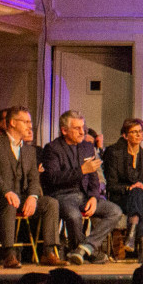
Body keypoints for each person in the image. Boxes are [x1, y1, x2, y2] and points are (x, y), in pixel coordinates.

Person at [41, 109, 117, 263]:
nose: (82, 132)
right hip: (62, 195)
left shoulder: (87, 147)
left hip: (84, 196)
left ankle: (84, 249)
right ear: (64, 130)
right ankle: (83, 252)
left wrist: (94, 197)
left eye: (83, 128)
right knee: (74, 216)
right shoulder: (52, 148)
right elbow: (53, 178)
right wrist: (81, 170)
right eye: (77, 128)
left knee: (115, 211)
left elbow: (93, 176)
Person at [0, 105, 46, 267]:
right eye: (26, 122)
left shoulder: (29, 150)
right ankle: (8, 253)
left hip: (21, 196)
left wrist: (33, 196)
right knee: (8, 203)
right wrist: (6, 191)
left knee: (50, 203)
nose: (30, 125)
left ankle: (48, 252)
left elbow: (34, 178)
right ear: (13, 123)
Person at [103, 116, 143, 263]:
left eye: (140, 131)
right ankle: (142, 248)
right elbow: (112, 185)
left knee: (139, 192)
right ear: (125, 135)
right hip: (122, 197)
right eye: (134, 132)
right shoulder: (116, 156)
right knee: (136, 192)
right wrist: (130, 187)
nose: (138, 135)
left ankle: (132, 233)